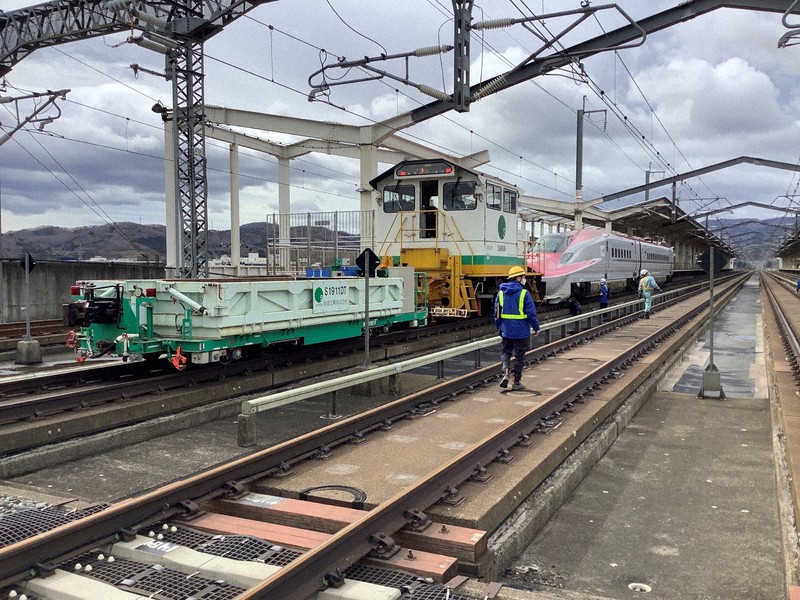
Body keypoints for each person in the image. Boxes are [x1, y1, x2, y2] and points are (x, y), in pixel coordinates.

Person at [495, 265, 540, 390]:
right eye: (524, 276)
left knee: (505, 352)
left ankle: (505, 373)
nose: (525, 278)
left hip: (506, 329)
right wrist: (536, 327)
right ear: (519, 278)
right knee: (519, 356)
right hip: (521, 331)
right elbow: (531, 313)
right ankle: (516, 382)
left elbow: (496, 313)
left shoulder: (501, 293)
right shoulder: (524, 293)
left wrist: (499, 326)